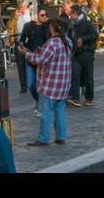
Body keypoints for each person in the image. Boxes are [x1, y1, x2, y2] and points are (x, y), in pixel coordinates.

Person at [22, 15, 71, 145]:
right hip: (63, 84)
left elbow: (39, 59)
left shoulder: (52, 43)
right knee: (59, 111)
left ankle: (43, 138)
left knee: (45, 112)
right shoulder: (67, 41)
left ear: (52, 27)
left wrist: (26, 54)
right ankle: (61, 136)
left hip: (50, 84)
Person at [66, 5, 98, 107]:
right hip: (76, 54)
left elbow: (95, 35)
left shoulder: (86, 23)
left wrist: (83, 39)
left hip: (87, 53)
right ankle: (75, 98)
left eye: (71, 13)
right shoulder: (72, 25)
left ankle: (89, 98)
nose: (69, 16)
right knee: (75, 75)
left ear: (75, 14)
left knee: (88, 76)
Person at [19, 5, 49, 107]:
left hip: (43, 58)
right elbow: (22, 40)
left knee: (42, 84)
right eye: (42, 15)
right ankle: (39, 100)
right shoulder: (28, 26)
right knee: (31, 84)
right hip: (31, 56)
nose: (45, 17)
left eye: (45, 15)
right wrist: (23, 48)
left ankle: (41, 103)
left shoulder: (48, 27)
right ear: (36, 15)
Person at [13, 0, 33, 93]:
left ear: (25, 6)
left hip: (28, 43)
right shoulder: (17, 16)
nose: (20, 8)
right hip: (18, 42)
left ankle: (31, 85)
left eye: (21, 7)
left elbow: (29, 24)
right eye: (19, 6)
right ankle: (23, 86)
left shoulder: (30, 15)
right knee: (20, 66)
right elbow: (10, 25)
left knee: (29, 66)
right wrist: (15, 17)